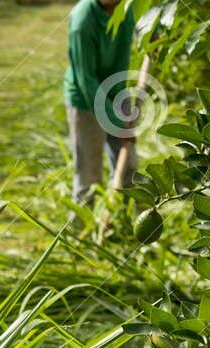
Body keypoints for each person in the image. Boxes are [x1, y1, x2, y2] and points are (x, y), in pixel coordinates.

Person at [63, 0, 138, 202]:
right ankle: (83, 231)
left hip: (117, 91)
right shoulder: (83, 21)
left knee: (129, 167)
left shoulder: (128, 7)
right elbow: (86, 80)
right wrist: (115, 120)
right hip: (86, 100)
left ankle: (124, 226)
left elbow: (145, 26)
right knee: (89, 177)